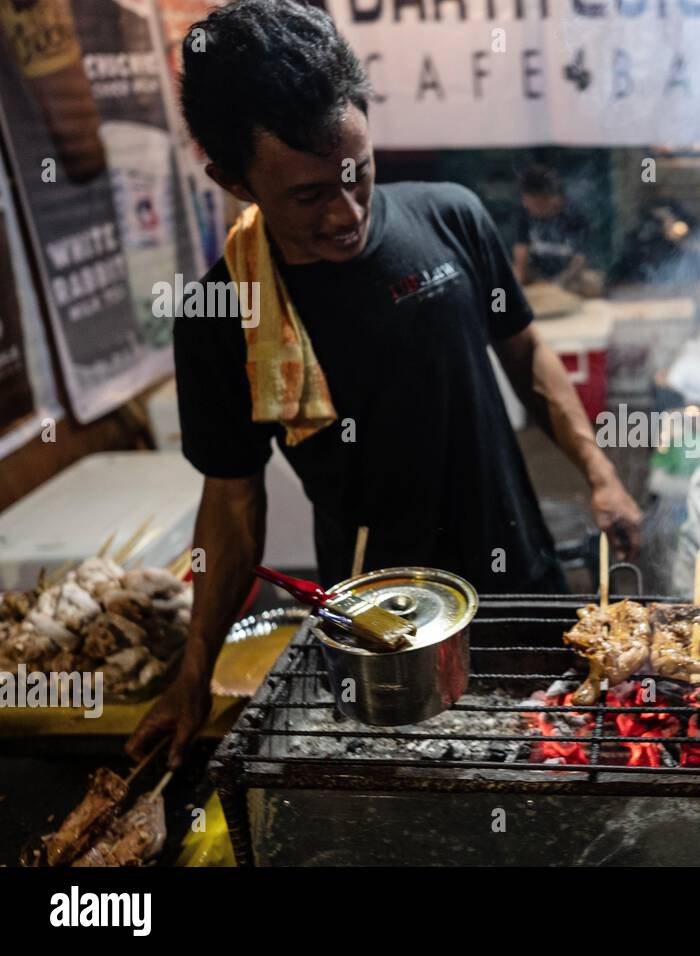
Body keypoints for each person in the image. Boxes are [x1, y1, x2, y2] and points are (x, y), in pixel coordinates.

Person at [127, 0, 641, 767]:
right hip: (382, 634)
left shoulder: (453, 217)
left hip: (521, 581)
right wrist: (193, 674)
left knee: (556, 781)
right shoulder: (224, 317)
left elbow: (527, 354)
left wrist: (600, 473)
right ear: (231, 180)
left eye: (357, 174)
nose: (346, 213)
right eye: (308, 195)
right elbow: (232, 503)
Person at [512, 165, 600, 294]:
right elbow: (521, 253)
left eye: (531, 201)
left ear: (547, 198)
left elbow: (580, 258)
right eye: (524, 200)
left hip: (568, 277)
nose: (526, 204)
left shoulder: (575, 215)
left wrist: (559, 283)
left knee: (592, 282)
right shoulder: (524, 214)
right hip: (536, 276)